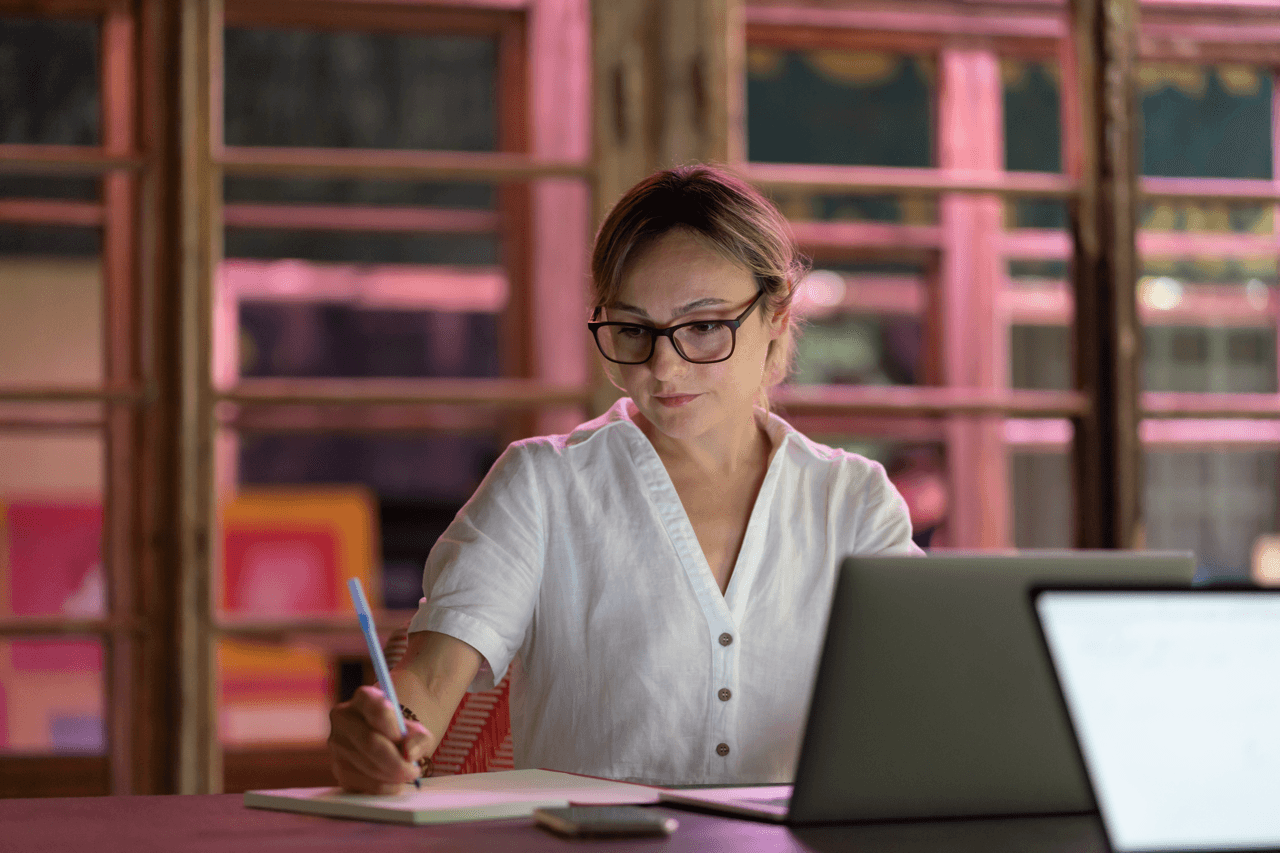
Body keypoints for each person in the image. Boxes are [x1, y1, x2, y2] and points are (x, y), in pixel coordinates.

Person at [327, 164, 923, 793]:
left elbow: (931, 690)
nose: (663, 366)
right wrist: (385, 732)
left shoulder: (852, 502)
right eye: (634, 329)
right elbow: (431, 678)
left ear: (776, 315)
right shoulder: (544, 485)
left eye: (702, 327)